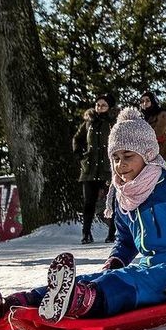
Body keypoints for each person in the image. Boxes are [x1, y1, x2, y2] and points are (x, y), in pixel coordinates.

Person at [0, 107, 166, 330]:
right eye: (115, 158)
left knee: (121, 284)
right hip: (146, 264)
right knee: (94, 278)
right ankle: (13, 305)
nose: (120, 165)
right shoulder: (125, 195)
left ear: (147, 154)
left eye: (128, 156)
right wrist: (116, 260)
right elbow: (126, 239)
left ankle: (80, 300)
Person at [73, 94, 116, 244]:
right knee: (88, 203)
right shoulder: (89, 122)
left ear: (109, 107)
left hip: (108, 168)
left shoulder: (113, 122)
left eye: (103, 105)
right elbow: (77, 139)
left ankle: (112, 233)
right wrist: (79, 154)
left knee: (111, 202)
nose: (100, 108)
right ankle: (86, 233)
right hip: (90, 169)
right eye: (98, 105)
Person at [139, 91, 166, 163]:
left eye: (147, 100)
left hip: (163, 153)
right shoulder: (144, 119)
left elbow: (157, 132)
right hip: (150, 155)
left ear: (153, 101)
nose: (145, 103)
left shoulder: (162, 114)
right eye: (142, 101)